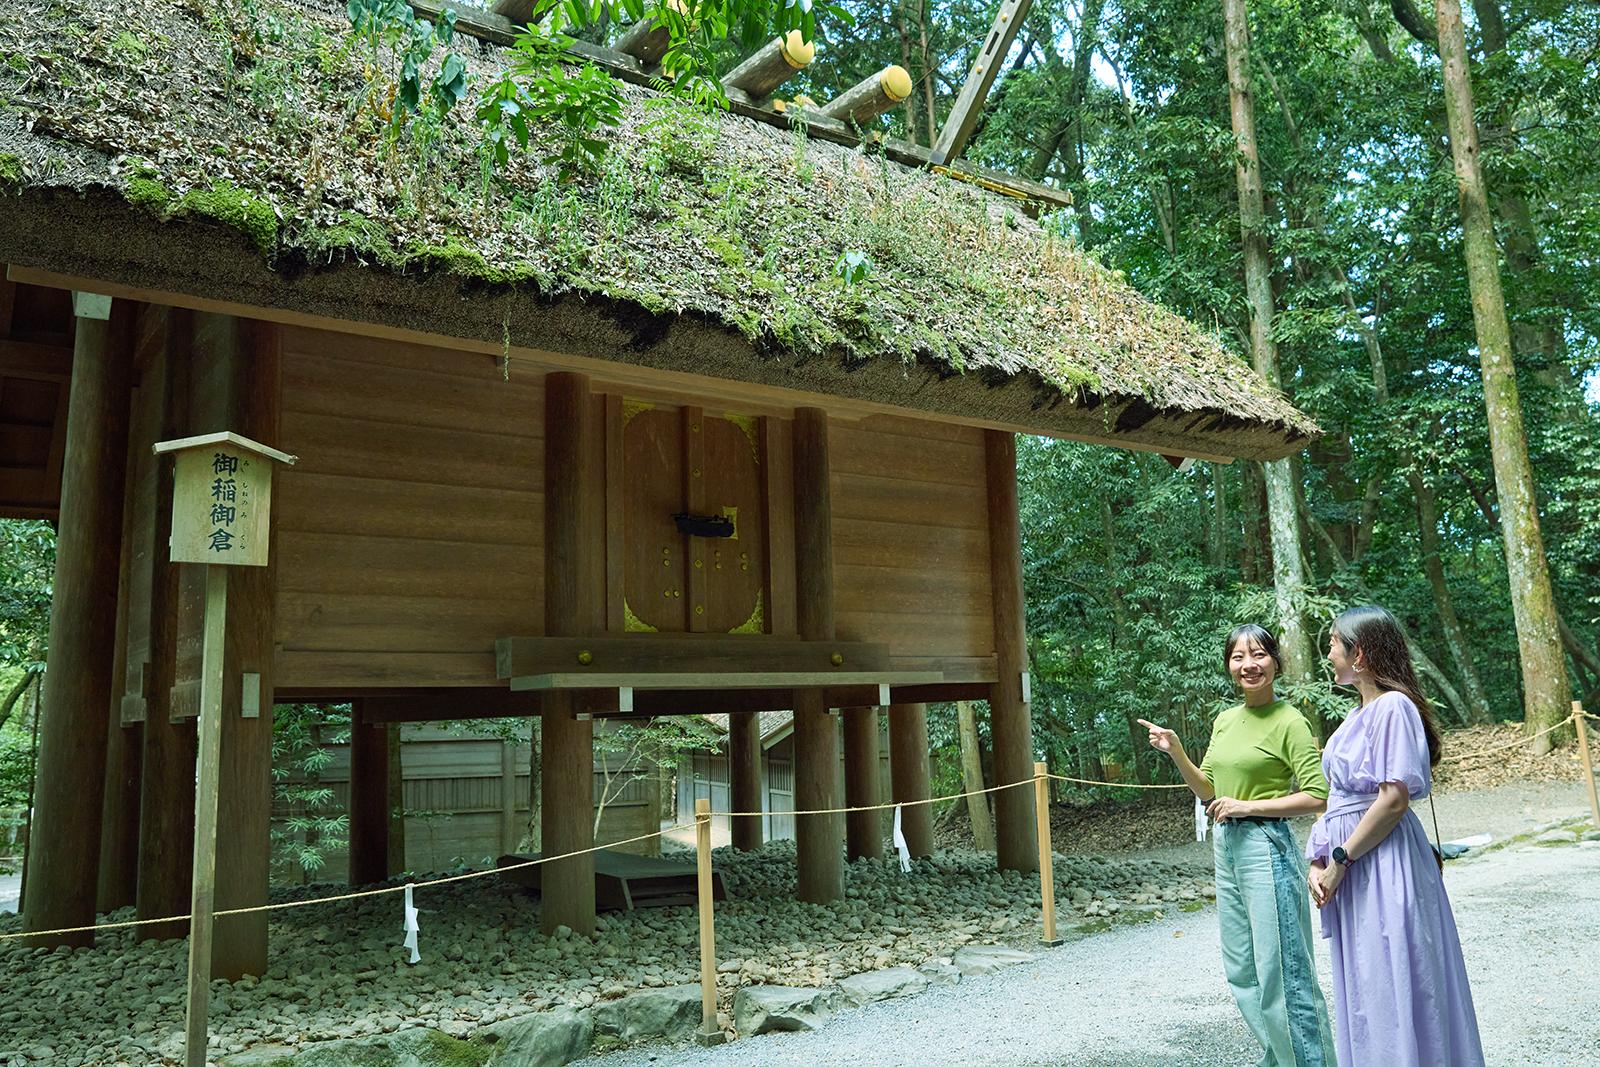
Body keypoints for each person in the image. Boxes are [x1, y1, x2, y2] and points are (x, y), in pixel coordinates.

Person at [1139, 624, 1338, 1067]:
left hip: (1265, 845)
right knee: (1243, 971)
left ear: (1275, 662)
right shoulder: (1225, 720)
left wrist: (1247, 806)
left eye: (1259, 654)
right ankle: (1282, 1059)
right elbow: (1208, 789)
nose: (1249, 664)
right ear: (1230, 667)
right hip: (1227, 848)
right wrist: (1175, 750)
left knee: (1283, 973)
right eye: (1238, 657)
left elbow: (1317, 796)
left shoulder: (1290, 721)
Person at [1306, 604, 1485, 1067]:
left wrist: (1341, 860)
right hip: (1351, 865)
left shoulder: (1393, 707)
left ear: (1359, 653)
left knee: (1395, 973)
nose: (1328, 653)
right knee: (1368, 982)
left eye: (1332, 643)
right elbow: (1336, 799)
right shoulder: (1355, 716)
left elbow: (1393, 798)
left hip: (1382, 863)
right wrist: (1318, 859)